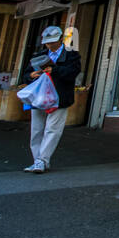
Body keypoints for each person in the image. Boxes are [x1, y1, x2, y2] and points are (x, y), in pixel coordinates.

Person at [25, 26, 83, 173]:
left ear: (60, 39)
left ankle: (42, 160)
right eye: (47, 42)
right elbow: (26, 74)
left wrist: (55, 70)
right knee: (36, 130)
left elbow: (72, 73)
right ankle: (38, 160)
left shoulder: (72, 55)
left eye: (52, 42)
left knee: (52, 130)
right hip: (39, 97)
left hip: (59, 97)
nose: (49, 45)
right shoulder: (40, 54)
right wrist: (31, 76)